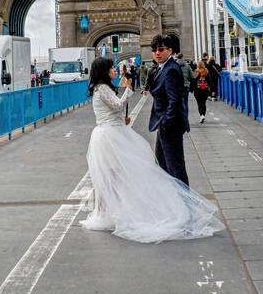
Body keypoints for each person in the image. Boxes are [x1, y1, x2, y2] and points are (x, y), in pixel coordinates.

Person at [81, 57, 222, 243]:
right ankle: (104, 213)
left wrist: (121, 117)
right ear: (104, 71)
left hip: (110, 132)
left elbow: (111, 111)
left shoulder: (100, 88)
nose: (115, 70)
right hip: (109, 136)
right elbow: (117, 105)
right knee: (112, 175)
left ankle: (106, 212)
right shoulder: (103, 88)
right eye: (111, 68)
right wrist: (129, 90)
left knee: (111, 175)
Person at [146, 33, 191, 185]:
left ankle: (185, 204)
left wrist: (166, 122)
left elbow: (175, 100)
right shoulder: (161, 68)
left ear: (170, 50)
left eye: (160, 49)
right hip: (164, 124)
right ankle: (173, 202)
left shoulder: (171, 69)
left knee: (175, 167)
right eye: (154, 50)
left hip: (170, 126)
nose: (157, 53)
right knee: (162, 165)